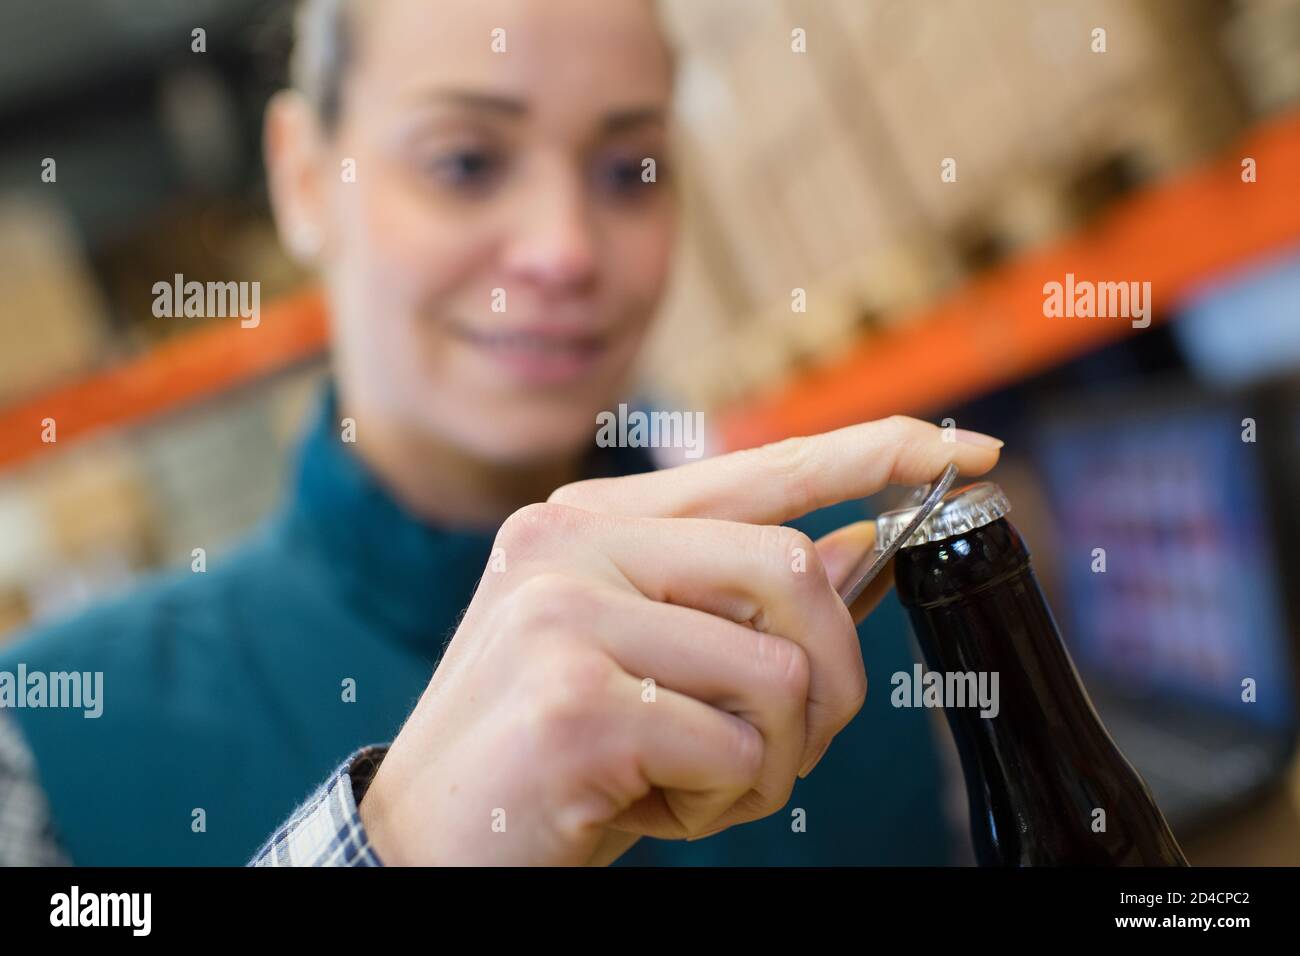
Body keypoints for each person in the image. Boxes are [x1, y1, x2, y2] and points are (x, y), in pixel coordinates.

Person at [0, 0, 1002, 867]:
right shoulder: (47, 737)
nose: (564, 247)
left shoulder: (841, 595)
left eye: (629, 167)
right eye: (466, 161)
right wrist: (394, 839)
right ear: (305, 180)